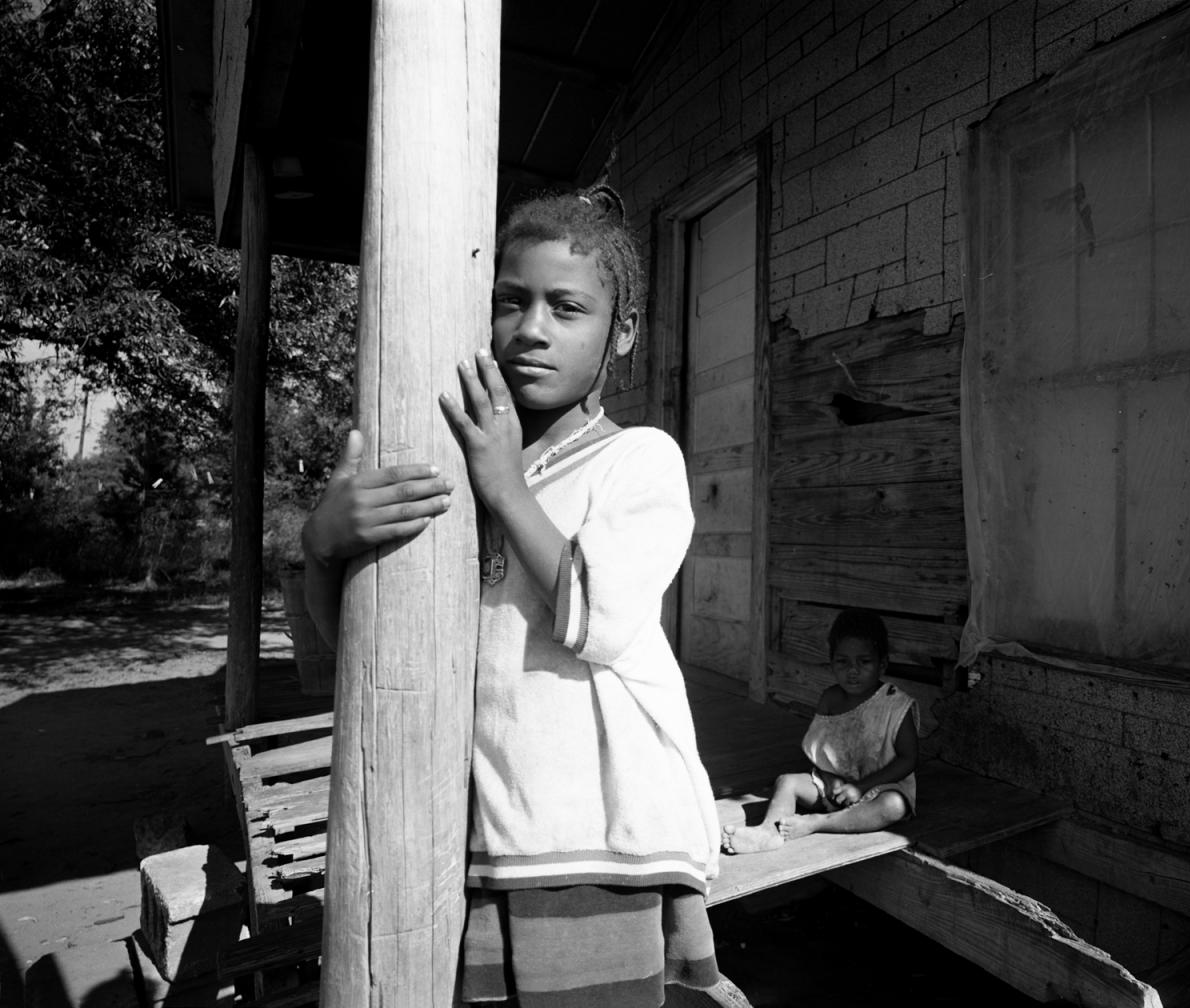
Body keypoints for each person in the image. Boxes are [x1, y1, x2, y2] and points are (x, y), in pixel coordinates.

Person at [298, 186, 723, 1006]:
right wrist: (322, 545)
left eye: (567, 307)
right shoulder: (457, 471)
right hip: (488, 832)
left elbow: (596, 618)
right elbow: (360, 648)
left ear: (623, 332)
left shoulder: (638, 460)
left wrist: (502, 485)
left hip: (602, 839)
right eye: (510, 301)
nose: (532, 328)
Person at [721, 609, 919, 855]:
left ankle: (817, 823)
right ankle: (768, 831)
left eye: (864, 662)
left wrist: (861, 787)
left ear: (882, 664)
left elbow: (908, 759)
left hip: (879, 789)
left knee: (894, 806)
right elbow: (818, 749)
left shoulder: (895, 706)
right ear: (831, 662)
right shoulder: (830, 699)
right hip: (834, 791)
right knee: (787, 782)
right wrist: (829, 779)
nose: (853, 670)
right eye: (843, 662)